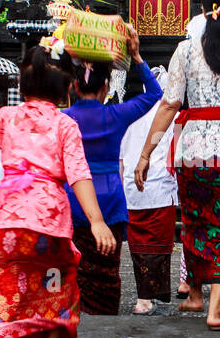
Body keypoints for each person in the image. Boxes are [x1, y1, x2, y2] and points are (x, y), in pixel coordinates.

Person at [0, 47, 115, 338]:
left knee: (4, 293)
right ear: (67, 87)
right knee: (61, 279)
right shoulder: (64, 123)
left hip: (3, 216)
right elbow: (79, 173)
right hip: (45, 217)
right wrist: (97, 221)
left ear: (23, 87)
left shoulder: (7, 116)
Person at [134, 0, 220, 330]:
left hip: (194, 153)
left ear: (202, 13)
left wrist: (146, 153)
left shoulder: (186, 50)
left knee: (196, 221)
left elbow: (170, 104)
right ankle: (216, 308)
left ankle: (194, 295)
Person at [64, 25, 162, 315]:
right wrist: (136, 55)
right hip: (110, 200)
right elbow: (155, 93)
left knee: (75, 267)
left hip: (73, 198)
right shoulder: (115, 115)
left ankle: (73, 319)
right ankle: (105, 318)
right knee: (107, 267)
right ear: (106, 87)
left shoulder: (63, 118)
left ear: (75, 87)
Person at [119, 65, 178, 313]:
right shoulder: (172, 117)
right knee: (160, 247)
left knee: (139, 248)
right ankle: (151, 296)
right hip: (160, 188)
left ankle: (147, 296)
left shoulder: (132, 113)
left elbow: (121, 159)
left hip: (133, 189)